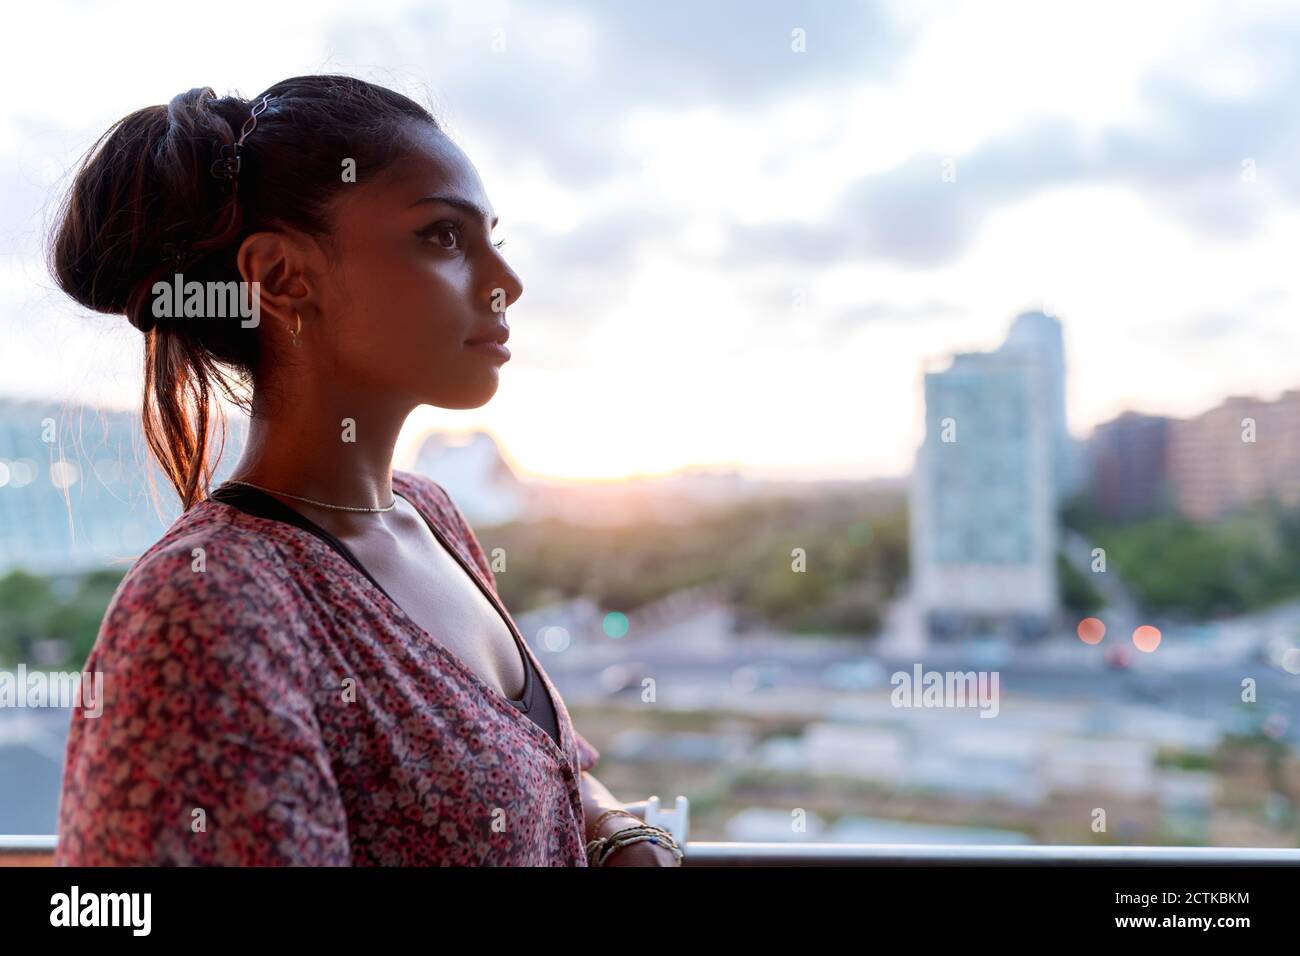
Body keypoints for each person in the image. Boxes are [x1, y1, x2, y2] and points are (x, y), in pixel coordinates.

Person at [47, 74, 680, 866]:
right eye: (443, 237)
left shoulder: (430, 517)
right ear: (281, 278)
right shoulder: (206, 608)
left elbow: (542, 772)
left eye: (493, 238)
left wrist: (628, 836)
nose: (506, 281)